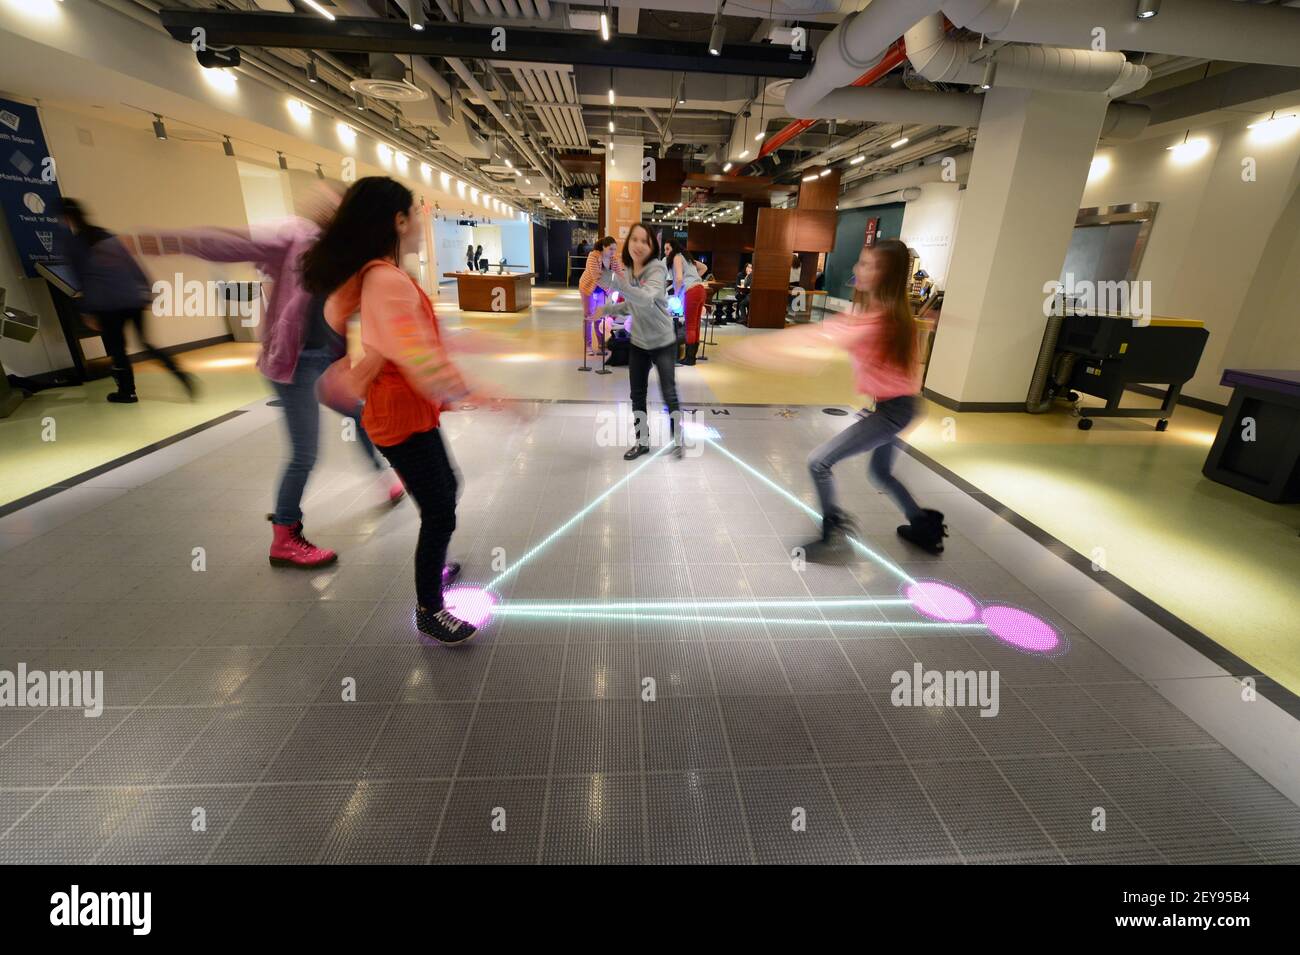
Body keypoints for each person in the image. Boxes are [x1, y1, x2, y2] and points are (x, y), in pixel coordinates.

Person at [134, 185, 404, 570]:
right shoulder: (297, 237)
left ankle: (385, 478)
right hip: (294, 363)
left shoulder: (352, 257)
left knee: (360, 417)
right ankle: (285, 536)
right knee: (305, 454)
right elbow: (233, 244)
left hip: (326, 363)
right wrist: (167, 241)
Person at [307, 177, 480, 644]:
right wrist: (467, 389)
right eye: (416, 211)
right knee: (440, 509)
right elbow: (414, 354)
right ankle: (429, 608)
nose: (423, 220)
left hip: (408, 413)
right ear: (398, 221)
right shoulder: (384, 279)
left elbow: (386, 338)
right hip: (398, 419)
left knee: (446, 488)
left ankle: (434, 565)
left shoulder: (380, 273)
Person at [800, 238, 946, 561]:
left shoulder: (880, 321)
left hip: (895, 411)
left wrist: (758, 349)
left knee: (818, 462)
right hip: (900, 407)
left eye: (866, 264)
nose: (856, 269)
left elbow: (823, 338)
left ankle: (834, 535)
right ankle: (923, 526)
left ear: (886, 274)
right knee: (880, 474)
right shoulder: (892, 316)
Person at [57, 198, 196, 404]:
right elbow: (133, 266)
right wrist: (148, 292)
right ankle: (180, 373)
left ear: (66, 219)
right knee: (146, 342)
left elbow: (81, 279)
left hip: (107, 303)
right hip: (133, 298)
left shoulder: (75, 244)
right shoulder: (110, 237)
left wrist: (85, 311)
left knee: (117, 349)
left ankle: (127, 392)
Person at [593, 222, 681, 460]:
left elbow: (643, 299)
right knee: (637, 395)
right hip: (640, 342)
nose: (639, 245)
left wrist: (617, 283)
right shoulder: (629, 270)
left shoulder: (657, 269)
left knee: (668, 392)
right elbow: (632, 304)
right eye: (635, 240)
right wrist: (608, 308)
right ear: (628, 243)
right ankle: (642, 442)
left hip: (663, 340)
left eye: (645, 241)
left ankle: (678, 437)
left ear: (652, 245)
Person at [667, 246, 705, 366]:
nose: (666, 252)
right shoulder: (688, 258)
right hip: (700, 289)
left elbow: (678, 279)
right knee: (696, 325)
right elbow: (704, 267)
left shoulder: (677, 257)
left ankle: (689, 358)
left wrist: (677, 295)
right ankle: (692, 356)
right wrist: (694, 278)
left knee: (690, 325)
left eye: (668, 249)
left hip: (691, 292)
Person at [579, 236, 617, 357]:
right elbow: (596, 277)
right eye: (611, 249)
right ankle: (588, 345)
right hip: (588, 288)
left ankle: (601, 344)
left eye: (614, 249)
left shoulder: (612, 259)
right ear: (603, 248)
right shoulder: (593, 257)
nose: (613, 252)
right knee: (589, 316)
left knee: (600, 317)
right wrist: (609, 289)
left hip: (601, 290)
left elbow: (618, 273)